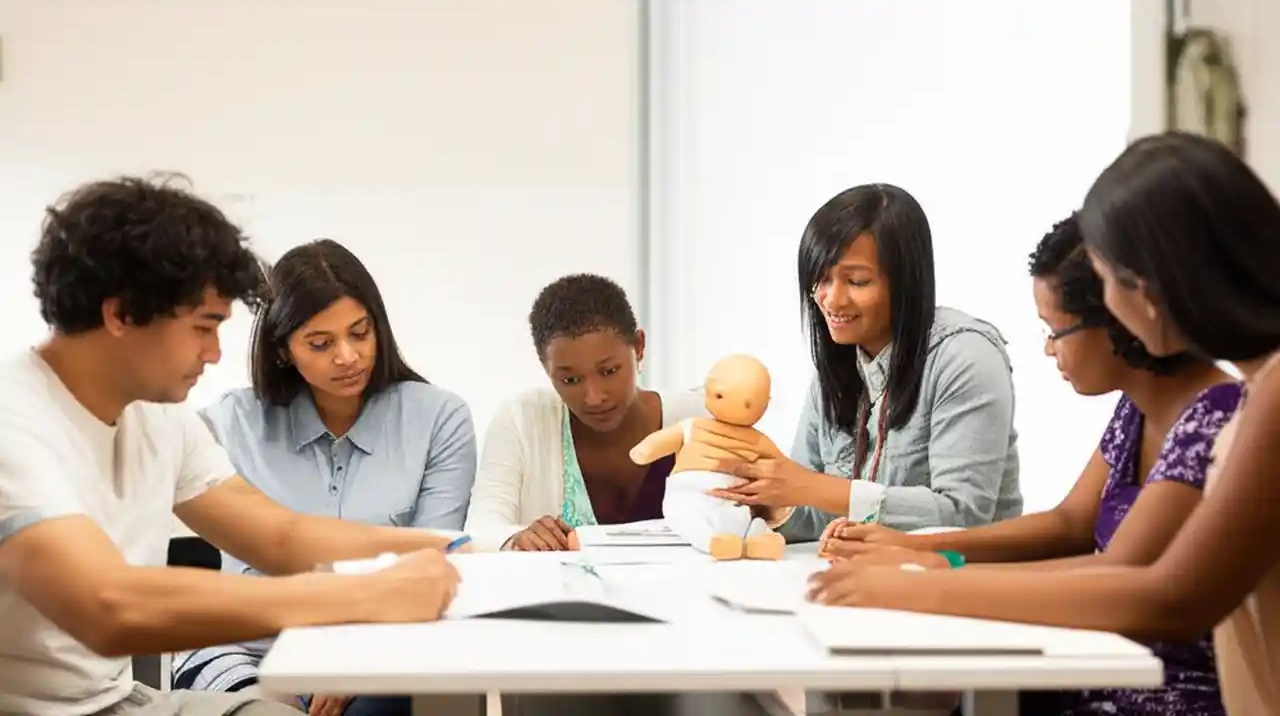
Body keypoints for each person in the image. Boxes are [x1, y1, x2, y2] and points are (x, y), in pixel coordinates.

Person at [808, 133, 1280, 715]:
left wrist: (925, 583)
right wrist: (929, 558)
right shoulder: (1254, 387)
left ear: (1151, 287)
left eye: (1107, 281)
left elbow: (1171, 594)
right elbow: (1071, 526)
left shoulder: (1256, 396)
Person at [0, 176, 460, 716]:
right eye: (203, 327)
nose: (216, 353)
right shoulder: (15, 422)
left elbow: (282, 538)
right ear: (121, 314)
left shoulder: (157, 417)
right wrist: (363, 597)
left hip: (122, 701)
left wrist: (454, 550)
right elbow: (109, 608)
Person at [173, 240, 476, 714]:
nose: (348, 356)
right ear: (282, 350)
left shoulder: (439, 419)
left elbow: (437, 556)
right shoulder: (228, 424)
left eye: (360, 333)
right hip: (250, 647)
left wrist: (355, 658)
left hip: (386, 640)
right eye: (321, 343)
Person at [703, 183, 1022, 539]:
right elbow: (815, 512)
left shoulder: (965, 358)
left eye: (857, 281)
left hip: (964, 577)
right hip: (874, 577)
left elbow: (963, 514)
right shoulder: (837, 368)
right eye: (821, 279)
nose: (832, 300)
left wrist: (810, 487)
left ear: (905, 281)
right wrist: (762, 501)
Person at [464, 273, 704, 551]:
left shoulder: (697, 418)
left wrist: (767, 505)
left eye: (609, 371)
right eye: (570, 380)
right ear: (546, 369)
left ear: (638, 347)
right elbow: (478, 533)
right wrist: (515, 538)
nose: (594, 397)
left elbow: (748, 526)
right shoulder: (521, 418)